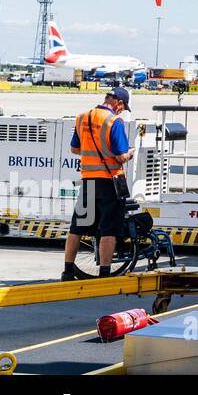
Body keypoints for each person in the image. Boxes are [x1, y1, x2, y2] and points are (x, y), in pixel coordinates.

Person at [62, 87, 134, 280]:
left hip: (88, 181)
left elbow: (74, 149)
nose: (122, 111)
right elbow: (120, 156)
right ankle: (104, 273)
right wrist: (130, 153)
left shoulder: (82, 117)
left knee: (77, 226)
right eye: (123, 107)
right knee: (109, 228)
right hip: (110, 182)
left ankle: (68, 270)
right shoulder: (113, 121)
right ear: (118, 103)